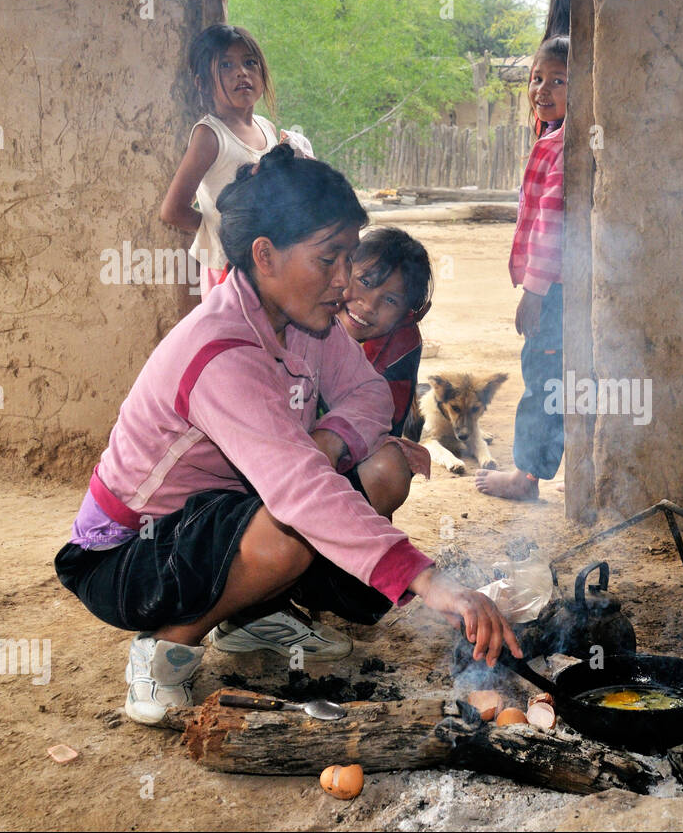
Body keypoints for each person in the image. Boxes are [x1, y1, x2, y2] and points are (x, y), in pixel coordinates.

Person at [56, 145, 521, 726]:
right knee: (290, 525)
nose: (346, 282)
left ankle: (249, 619)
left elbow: (370, 396)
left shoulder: (305, 322)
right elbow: (300, 492)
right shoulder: (222, 348)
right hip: (126, 556)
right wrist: (430, 582)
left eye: (350, 258)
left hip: (212, 521)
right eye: (330, 259)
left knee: (382, 468)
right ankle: (163, 650)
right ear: (265, 256)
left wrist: (325, 443)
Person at [475, 37, 568, 501]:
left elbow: (553, 226)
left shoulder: (565, 146)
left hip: (555, 292)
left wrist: (534, 292)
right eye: (537, 78)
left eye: (558, 80)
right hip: (556, 289)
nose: (542, 89)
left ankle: (526, 476)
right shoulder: (553, 138)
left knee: (543, 379)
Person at [160, 24, 307, 300]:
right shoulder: (210, 136)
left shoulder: (266, 128)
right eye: (226, 65)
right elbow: (172, 210)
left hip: (265, 265)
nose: (242, 72)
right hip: (228, 269)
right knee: (235, 339)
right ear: (202, 83)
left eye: (250, 62)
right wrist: (219, 229)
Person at [336, 227, 433, 437]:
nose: (370, 306)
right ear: (342, 268)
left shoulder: (398, 348)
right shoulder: (308, 309)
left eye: (390, 300)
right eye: (365, 282)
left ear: (406, 314)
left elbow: (368, 428)